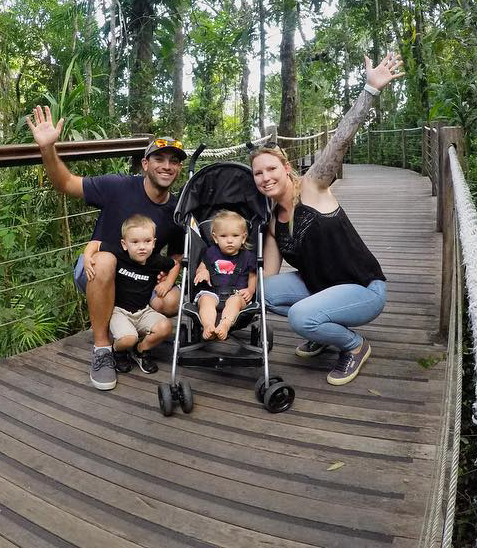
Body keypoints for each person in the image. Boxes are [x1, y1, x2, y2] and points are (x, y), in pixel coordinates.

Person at [250, 52, 404, 386]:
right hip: (323, 287)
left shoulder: (313, 186)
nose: (265, 177)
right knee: (262, 291)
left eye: (272, 169)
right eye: (258, 173)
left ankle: (354, 345)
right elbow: (267, 278)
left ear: (286, 168)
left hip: (364, 288)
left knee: (299, 316)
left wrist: (370, 91)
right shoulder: (274, 221)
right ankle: (323, 328)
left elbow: (340, 140)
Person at [26, 106, 185, 391]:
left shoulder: (177, 209)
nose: (167, 166)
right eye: (159, 158)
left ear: (179, 169)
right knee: (106, 262)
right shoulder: (118, 186)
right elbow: (65, 183)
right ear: (145, 164)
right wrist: (48, 147)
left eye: (173, 161)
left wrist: (169, 277)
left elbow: (176, 253)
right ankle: (102, 349)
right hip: (96, 270)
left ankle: (130, 331)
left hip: (138, 279)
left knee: (171, 301)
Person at [100, 215, 174, 375]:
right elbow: (96, 244)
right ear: (124, 244)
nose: (142, 247)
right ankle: (118, 352)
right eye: (135, 242)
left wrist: (167, 282)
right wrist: (86, 259)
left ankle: (140, 350)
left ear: (154, 243)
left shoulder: (155, 261)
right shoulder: (119, 255)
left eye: (147, 241)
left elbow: (174, 264)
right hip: (119, 311)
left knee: (166, 327)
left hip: (143, 310)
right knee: (128, 338)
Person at [193, 209, 257, 341]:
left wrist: (250, 290)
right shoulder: (211, 252)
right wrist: (203, 271)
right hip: (213, 292)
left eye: (235, 236)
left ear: (243, 237)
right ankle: (208, 326)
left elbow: (253, 275)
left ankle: (225, 325)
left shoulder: (248, 256)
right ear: (215, 238)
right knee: (205, 299)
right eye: (223, 236)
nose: (229, 241)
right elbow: (201, 267)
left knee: (235, 301)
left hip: (237, 294)